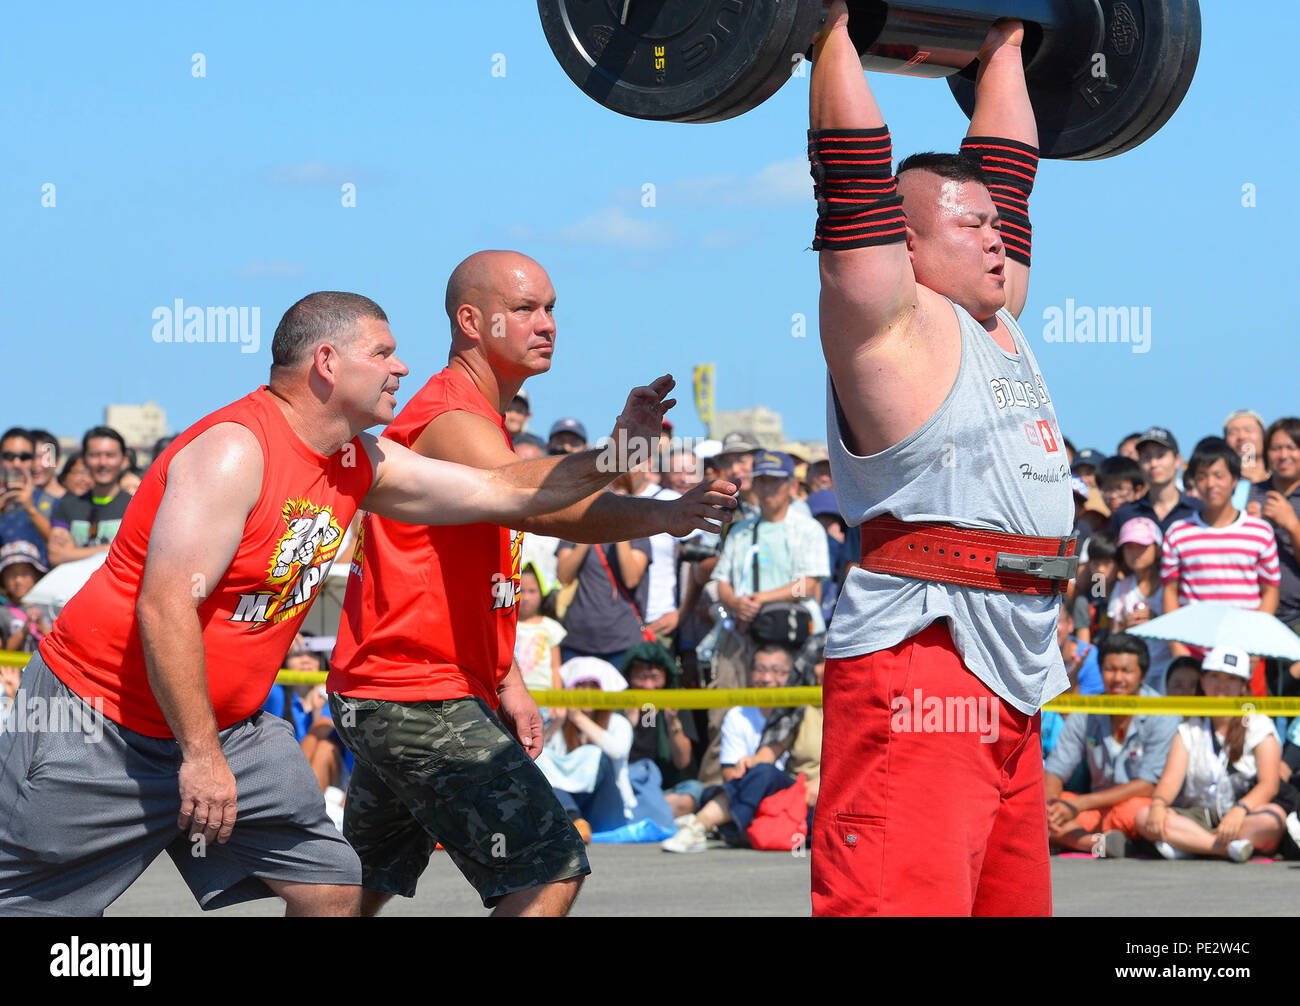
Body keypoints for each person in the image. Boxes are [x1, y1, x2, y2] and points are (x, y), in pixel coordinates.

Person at [0, 289, 671, 917]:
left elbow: (504, 491)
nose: (401, 366)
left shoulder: (358, 462)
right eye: (382, 353)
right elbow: (163, 607)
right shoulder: (237, 451)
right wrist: (199, 757)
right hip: (97, 725)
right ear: (326, 362)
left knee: (331, 887)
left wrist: (625, 450)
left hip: (226, 729)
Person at [327, 250, 737, 918]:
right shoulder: (450, 418)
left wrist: (507, 675)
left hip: (398, 691)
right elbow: (536, 503)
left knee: (353, 891)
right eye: (524, 309)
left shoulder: (479, 420)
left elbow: (511, 539)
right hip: (415, 698)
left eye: (550, 309)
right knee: (550, 869)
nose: (546, 323)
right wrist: (624, 456)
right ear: (470, 321)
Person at [808, 4, 1075, 916]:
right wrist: (827, 26)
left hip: (1016, 669)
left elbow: (1007, 171)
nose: (996, 236)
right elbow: (848, 180)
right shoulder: (887, 326)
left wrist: (1009, 33)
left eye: (996, 225)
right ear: (904, 246)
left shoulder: (996, 317)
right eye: (969, 227)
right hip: (925, 660)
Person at [1137, 647, 1294, 862]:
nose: (1222, 685)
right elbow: (1169, 782)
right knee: (1144, 816)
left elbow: (1269, 785)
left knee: (1272, 819)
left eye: (1231, 679)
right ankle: (1222, 848)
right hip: (1197, 814)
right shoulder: (1190, 727)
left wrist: (1240, 810)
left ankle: (1190, 844)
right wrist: (1158, 805)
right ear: (1203, 681)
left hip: (1244, 813)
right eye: (1214, 676)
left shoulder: (1259, 724)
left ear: (1243, 686)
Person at [1043, 634, 1179, 858]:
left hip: (1134, 807)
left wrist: (1081, 803)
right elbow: (1057, 768)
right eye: (1110, 669)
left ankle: (1085, 839)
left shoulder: (1161, 714)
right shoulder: (1088, 710)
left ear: (1143, 675)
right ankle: (1093, 843)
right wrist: (1050, 808)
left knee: (1137, 810)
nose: (1117, 678)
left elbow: (1148, 785)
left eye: (1126, 671)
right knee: (1047, 811)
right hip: (1093, 810)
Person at [1162, 438, 1280, 664]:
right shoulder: (1178, 532)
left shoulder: (1260, 532)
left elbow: (1270, 592)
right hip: (1192, 652)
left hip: (1246, 651)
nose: (1210, 484)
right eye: (1202, 476)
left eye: (1218, 475)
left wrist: (1255, 647)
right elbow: (1170, 592)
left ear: (1235, 480)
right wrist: (1177, 647)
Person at [712, 451, 829, 638]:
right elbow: (722, 581)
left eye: (775, 480)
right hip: (747, 632)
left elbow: (806, 587)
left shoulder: (809, 529)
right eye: (762, 480)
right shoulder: (739, 531)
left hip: (795, 632)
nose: (768, 488)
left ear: (793, 485)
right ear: (754, 485)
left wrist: (760, 599)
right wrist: (735, 603)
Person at [47, 426, 131, 566]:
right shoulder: (67, 506)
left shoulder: (135, 506)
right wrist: (111, 549)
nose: (102, 462)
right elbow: (57, 555)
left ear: (124, 460)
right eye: (95, 455)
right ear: (84, 459)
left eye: (110, 455)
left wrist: (75, 553)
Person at [1107, 517, 1172, 692]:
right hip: (1131, 679)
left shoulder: (1171, 587)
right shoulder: (1121, 588)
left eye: (1142, 546)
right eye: (1129, 547)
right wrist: (1124, 628)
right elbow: (1112, 636)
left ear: (1158, 549)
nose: (1135, 552)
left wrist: (1156, 621)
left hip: (1168, 674)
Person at [1108, 427, 1202, 536]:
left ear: (1177, 460)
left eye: (1160, 455)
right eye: (1147, 457)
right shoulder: (1125, 514)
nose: (1153, 464)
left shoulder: (1198, 510)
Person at [0, 428, 52, 564]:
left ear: (33, 460)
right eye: (9, 456)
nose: (16, 463)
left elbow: (59, 547)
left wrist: (30, 509)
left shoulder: (53, 501)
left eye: (24, 457)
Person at [1224, 409, 1270, 511]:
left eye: (1248, 430)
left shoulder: (1281, 477)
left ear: (1264, 436)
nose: (1241, 437)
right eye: (1233, 432)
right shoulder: (1220, 482)